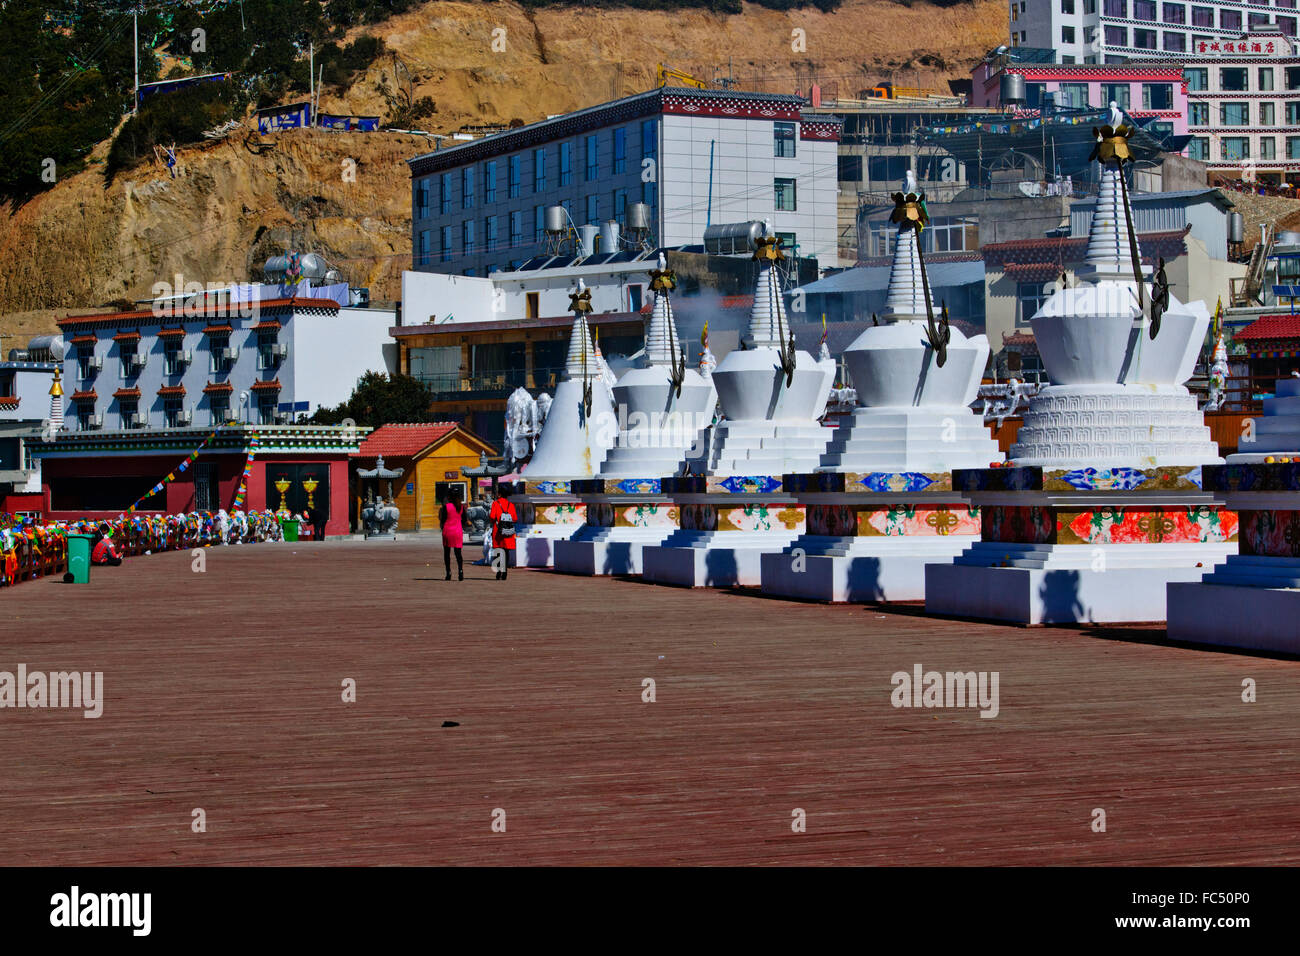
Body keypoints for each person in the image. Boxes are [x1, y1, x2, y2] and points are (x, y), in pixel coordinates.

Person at [487, 493, 517, 580]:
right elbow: (515, 518)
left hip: (498, 530)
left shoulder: (495, 504)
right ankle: (505, 572)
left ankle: (499, 570)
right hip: (508, 530)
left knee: (498, 551)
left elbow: (492, 516)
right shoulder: (510, 505)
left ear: (500, 494)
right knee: (506, 552)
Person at [439, 489, 465, 581]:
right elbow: (464, 520)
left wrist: (442, 526)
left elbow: (443, 519)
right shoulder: (461, 507)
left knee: (447, 553)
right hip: (458, 532)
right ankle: (460, 571)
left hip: (448, 531)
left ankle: (448, 572)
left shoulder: (447, 506)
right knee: (458, 554)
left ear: (449, 496)